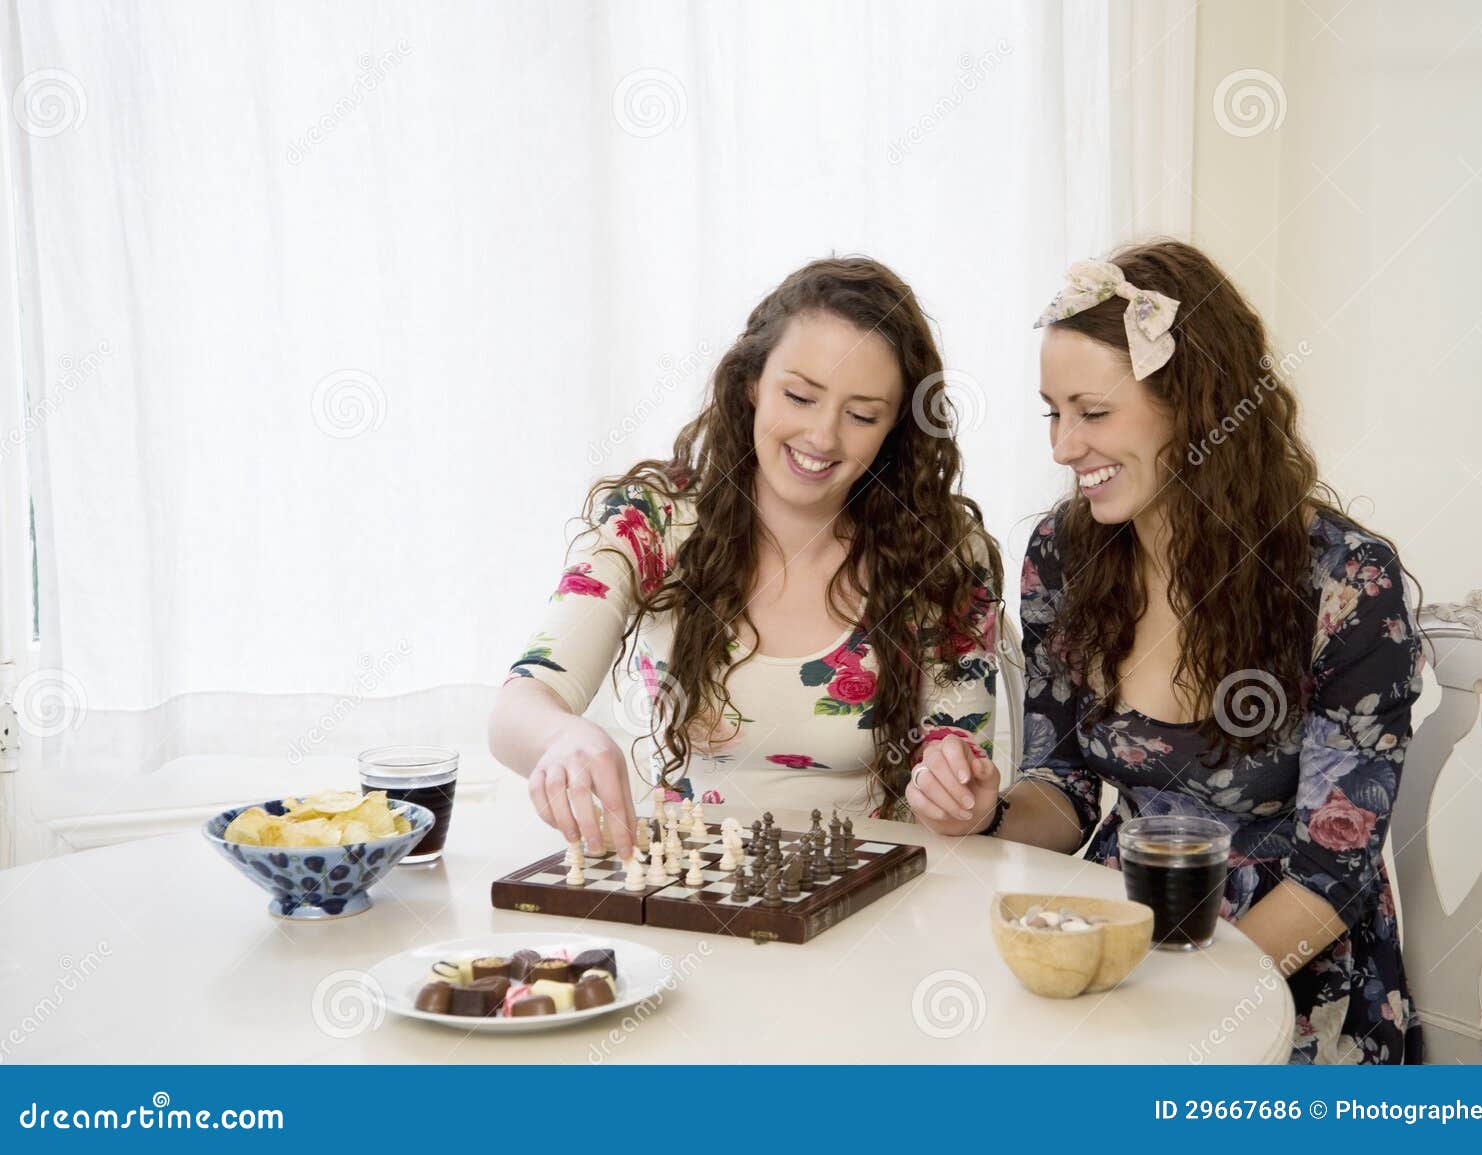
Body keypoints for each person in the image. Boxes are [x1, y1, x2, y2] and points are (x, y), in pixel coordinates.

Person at [906, 241, 1426, 1064]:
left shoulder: (1345, 583)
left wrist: (1185, 1005)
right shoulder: (1064, 556)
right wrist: (988, 813)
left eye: (1093, 412)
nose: (1063, 447)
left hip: (1284, 967)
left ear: (1195, 404)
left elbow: (1333, 876)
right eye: (1052, 413)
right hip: (1119, 943)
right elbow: (1065, 786)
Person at [489, 256, 1003, 861]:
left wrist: (961, 797)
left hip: (874, 888)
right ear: (751, 382)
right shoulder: (652, 522)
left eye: (862, 415)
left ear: (896, 427)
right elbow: (517, 706)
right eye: (800, 396)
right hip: (693, 880)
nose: (822, 437)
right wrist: (561, 736)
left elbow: (961, 780)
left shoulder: (944, 553)